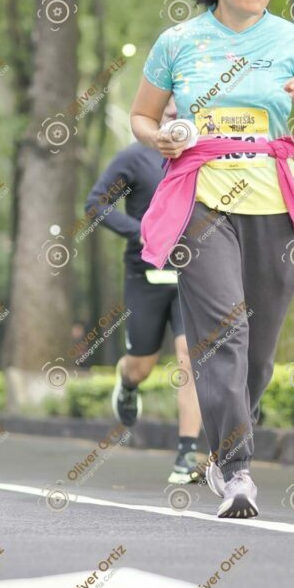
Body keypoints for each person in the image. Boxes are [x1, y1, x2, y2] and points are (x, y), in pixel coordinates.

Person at [130, 0, 294, 518]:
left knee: (260, 351)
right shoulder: (178, 42)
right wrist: (160, 137)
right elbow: (142, 116)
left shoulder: (292, 41)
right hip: (201, 198)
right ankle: (238, 470)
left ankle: (223, 451)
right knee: (225, 332)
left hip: (274, 202)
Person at [84, 96, 204, 484]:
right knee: (143, 364)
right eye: (167, 106)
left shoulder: (204, 155)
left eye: (182, 106)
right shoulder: (135, 158)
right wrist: (141, 232)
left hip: (191, 275)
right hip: (146, 275)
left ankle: (186, 454)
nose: (174, 112)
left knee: (190, 356)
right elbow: (95, 204)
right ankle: (127, 381)